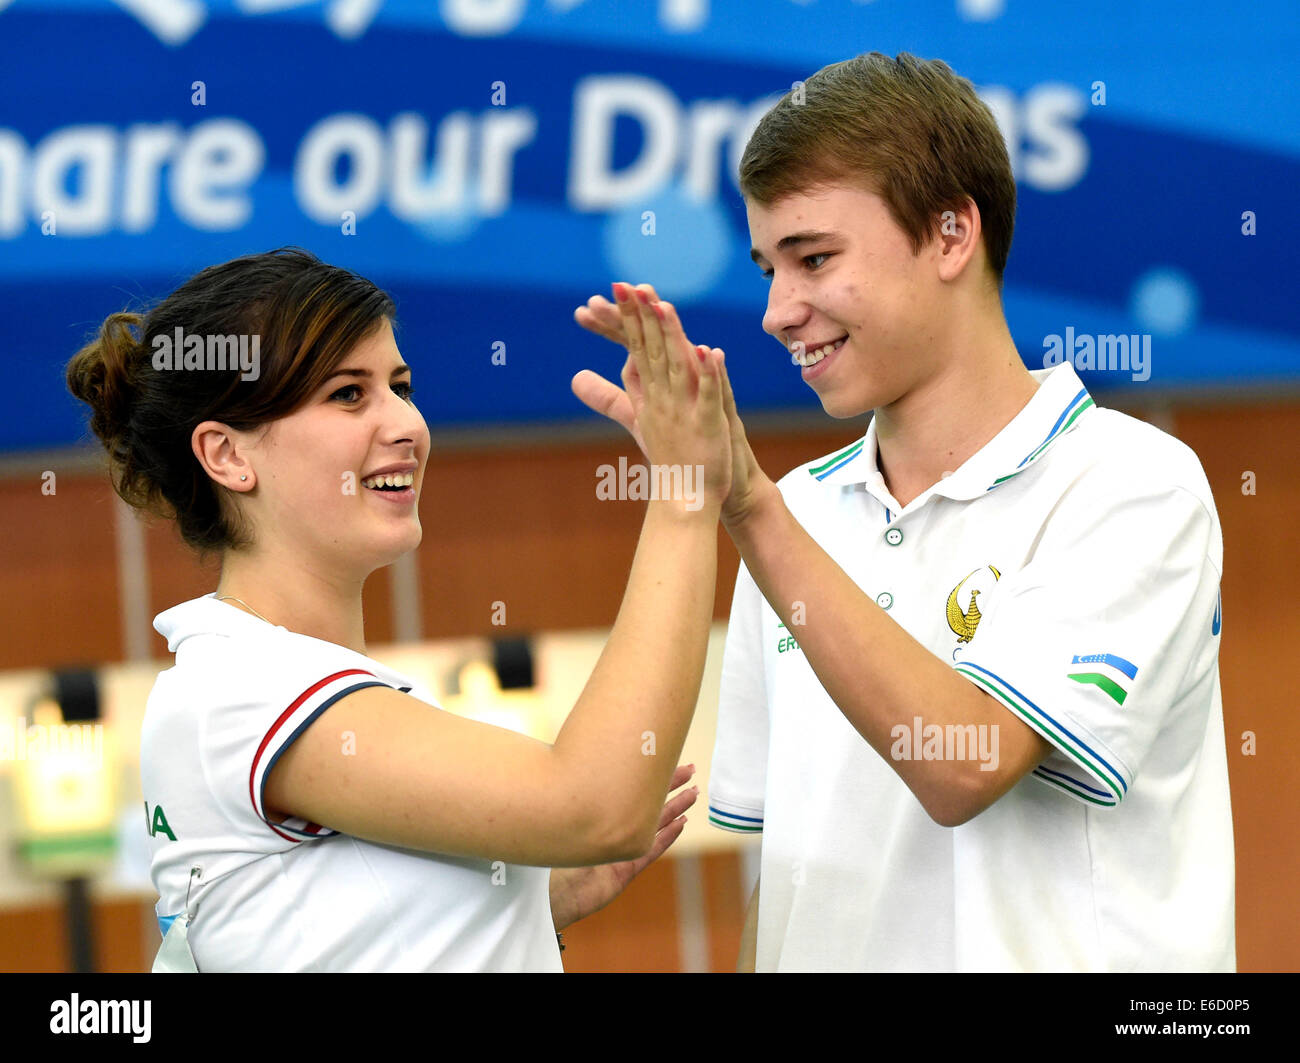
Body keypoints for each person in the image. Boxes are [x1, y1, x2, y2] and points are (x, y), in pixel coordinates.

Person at [572, 52, 1235, 972]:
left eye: (813, 258)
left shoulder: (1133, 483)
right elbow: (788, 879)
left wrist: (747, 505)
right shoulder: (798, 510)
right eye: (768, 266)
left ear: (952, 233)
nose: (775, 309)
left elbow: (963, 767)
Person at [66, 247, 732, 972]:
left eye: (401, 385)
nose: (408, 424)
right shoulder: (242, 691)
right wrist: (684, 494)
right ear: (227, 455)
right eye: (349, 394)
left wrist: (520, 907)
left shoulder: (284, 686)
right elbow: (598, 805)